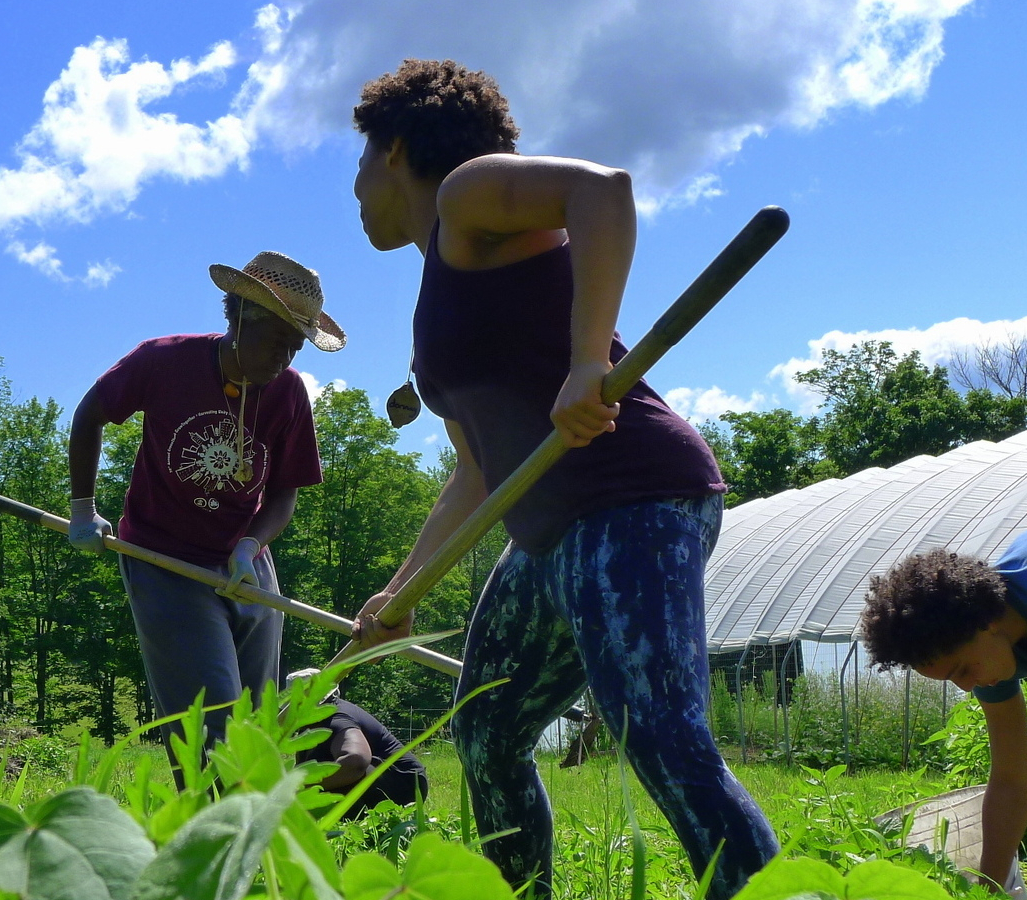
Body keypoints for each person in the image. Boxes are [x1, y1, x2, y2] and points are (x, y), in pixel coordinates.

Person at [346, 60, 777, 898]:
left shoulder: (468, 194)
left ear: (394, 150)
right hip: (542, 533)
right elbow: (476, 476)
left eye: (359, 166)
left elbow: (602, 192)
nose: (355, 191)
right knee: (488, 733)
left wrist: (589, 361)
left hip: (631, 497)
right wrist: (401, 592)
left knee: (661, 736)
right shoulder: (440, 285)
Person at [67, 252, 343, 763]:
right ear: (238, 319)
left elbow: (285, 493)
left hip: (245, 562)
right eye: (277, 342)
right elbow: (91, 414)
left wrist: (251, 544)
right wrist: (83, 507)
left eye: (295, 347)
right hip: (164, 560)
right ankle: (205, 830)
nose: (285, 360)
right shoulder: (164, 361)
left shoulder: (287, 394)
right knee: (210, 721)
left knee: (259, 722)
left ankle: (252, 834)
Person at [859, 513, 1027, 892]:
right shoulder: (990, 651)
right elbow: (1010, 780)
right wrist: (991, 889)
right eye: (953, 678)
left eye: (962, 669)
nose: (968, 686)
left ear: (986, 624)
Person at [287, 668, 428, 817]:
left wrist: (300, 786)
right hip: (385, 780)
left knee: (330, 775)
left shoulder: (337, 719)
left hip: (403, 784)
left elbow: (356, 762)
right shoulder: (308, 726)